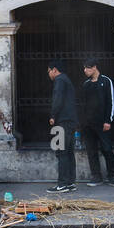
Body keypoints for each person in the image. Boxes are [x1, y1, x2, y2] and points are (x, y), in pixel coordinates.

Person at [80, 58, 114, 187]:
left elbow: (111, 102)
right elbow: (84, 105)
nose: (85, 71)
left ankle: (113, 176)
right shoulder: (86, 84)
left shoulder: (106, 81)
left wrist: (108, 121)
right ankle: (96, 176)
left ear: (94, 67)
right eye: (84, 68)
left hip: (102, 123)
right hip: (88, 124)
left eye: (87, 68)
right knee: (91, 150)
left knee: (107, 149)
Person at [46, 60, 78, 192]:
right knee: (69, 152)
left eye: (48, 71)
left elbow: (57, 99)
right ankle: (70, 182)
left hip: (61, 122)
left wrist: (53, 115)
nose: (48, 74)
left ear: (54, 70)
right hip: (70, 122)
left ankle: (62, 184)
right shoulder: (66, 80)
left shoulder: (59, 81)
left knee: (60, 152)